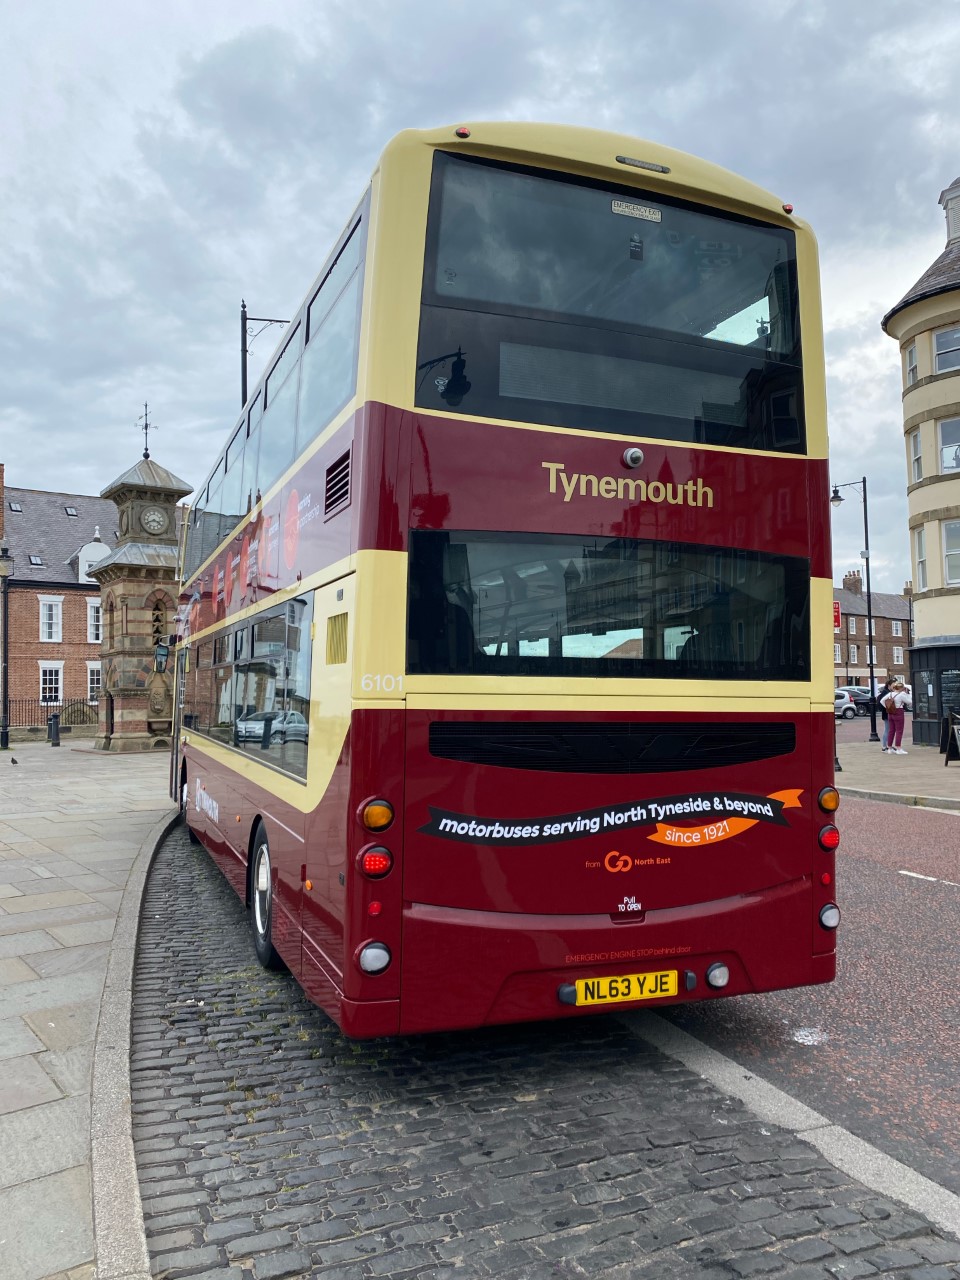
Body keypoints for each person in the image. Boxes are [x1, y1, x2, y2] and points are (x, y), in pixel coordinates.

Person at [883, 680, 910, 754]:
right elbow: (909, 702)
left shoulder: (890, 694)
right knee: (899, 731)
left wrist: (887, 707)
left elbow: (882, 701)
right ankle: (898, 748)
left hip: (890, 713)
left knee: (891, 730)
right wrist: (907, 694)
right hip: (898, 712)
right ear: (901, 688)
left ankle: (889, 748)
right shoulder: (901, 695)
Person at [878, 676, 894, 751]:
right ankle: (884, 746)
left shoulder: (888, 692)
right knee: (887, 729)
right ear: (889, 685)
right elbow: (883, 703)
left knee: (889, 729)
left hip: (887, 713)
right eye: (893, 685)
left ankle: (888, 744)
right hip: (887, 713)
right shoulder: (886, 692)